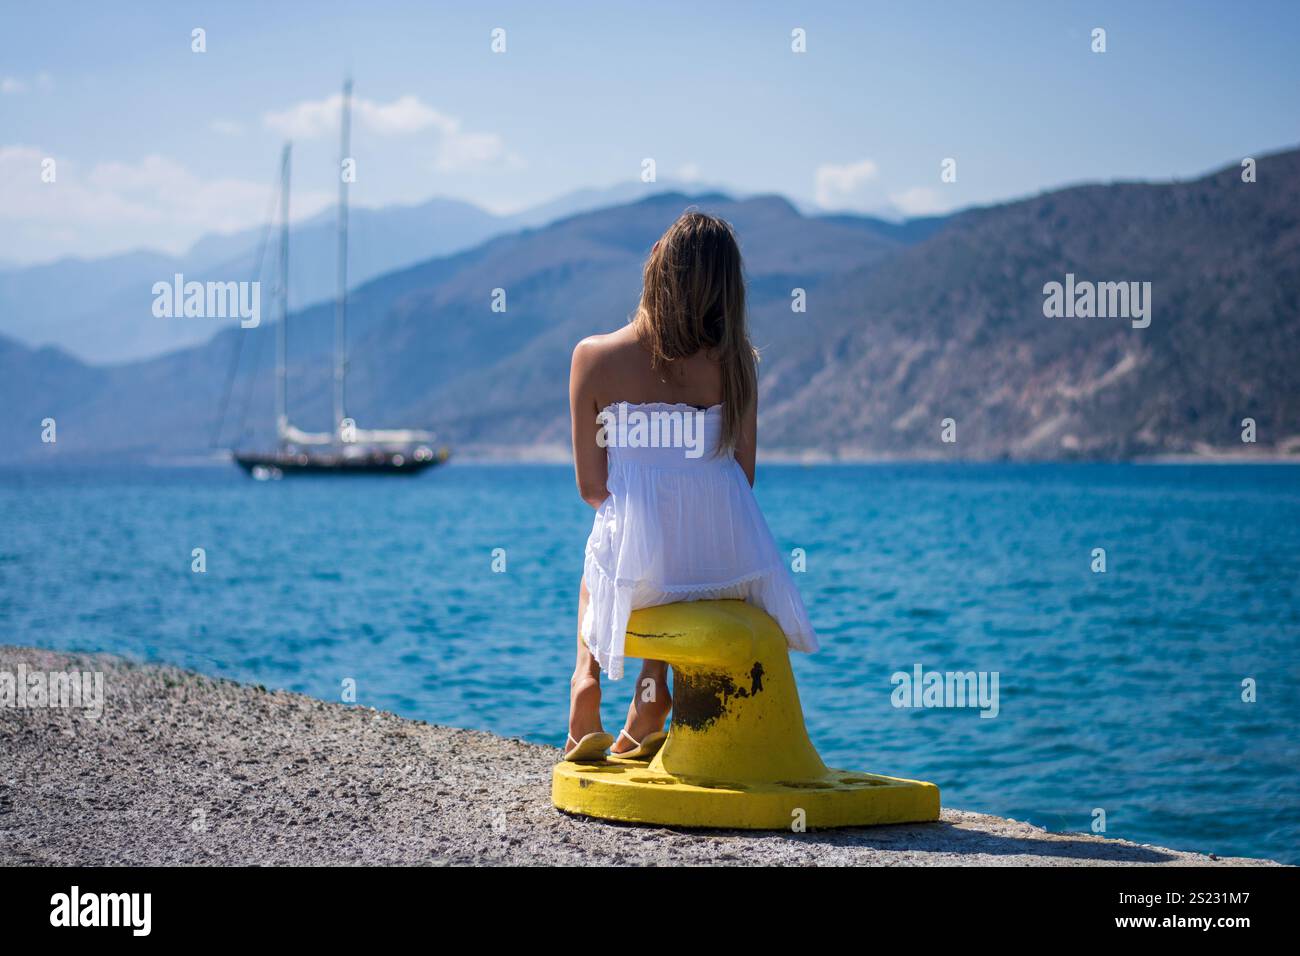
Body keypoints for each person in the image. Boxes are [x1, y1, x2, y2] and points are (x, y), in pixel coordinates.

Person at [564, 211, 818, 761]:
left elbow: (592, 487)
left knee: (603, 553)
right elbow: (742, 478)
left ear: (657, 267)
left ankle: (585, 690)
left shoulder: (594, 357)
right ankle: (651, 695)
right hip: (730, 563)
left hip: (649, 572)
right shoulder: (737, 366)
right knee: (674, 541)